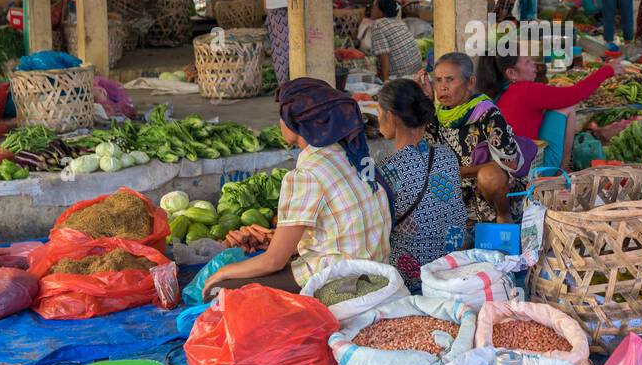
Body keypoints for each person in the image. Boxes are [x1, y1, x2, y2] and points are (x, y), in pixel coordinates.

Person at [200, 78, 391, 296]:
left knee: (219, 290)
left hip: (342, 281)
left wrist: (224, 272)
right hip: (377, 268)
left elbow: (274, 261)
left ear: (297, 122)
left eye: (281, 116)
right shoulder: (351, 152)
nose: (279, 122)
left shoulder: (307, 174)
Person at [374, 78, 467, 290]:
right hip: (453, 263)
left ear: (392, 117)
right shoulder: (446, 154)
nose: (378, 119)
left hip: (414, 275)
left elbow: (379, 231)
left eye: (379, 113)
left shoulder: (385, 170)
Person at [421, 52, 529, 223]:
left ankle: (505, 220)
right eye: (438, 80)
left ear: (470, 82)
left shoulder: (487, 112)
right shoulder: (439, 115)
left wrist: (462, 172)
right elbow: (430, 155)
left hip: (492, 193)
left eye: (450, 79)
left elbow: (510, 163)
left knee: (489, 176)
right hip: (458, 191)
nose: (443, 87)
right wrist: (425, 101)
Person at [480, 53, 624, 170]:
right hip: (530, 167)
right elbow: (574, 94)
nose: (534, 65)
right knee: (568, 106)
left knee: (559, 105)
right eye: (527, 62)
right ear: (511, 73)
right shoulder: (526, 90)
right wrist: (608, 70)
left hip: (508, 164)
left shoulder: (498, 93)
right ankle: (562, 170)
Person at [365, 0, 423, 80]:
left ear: (381, 12)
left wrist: (386, 83)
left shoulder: (378, 25)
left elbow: (385, 59)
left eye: (374, 7)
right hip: (416, 70)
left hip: (400, 76)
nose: (371, 10)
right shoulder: (399, 22)